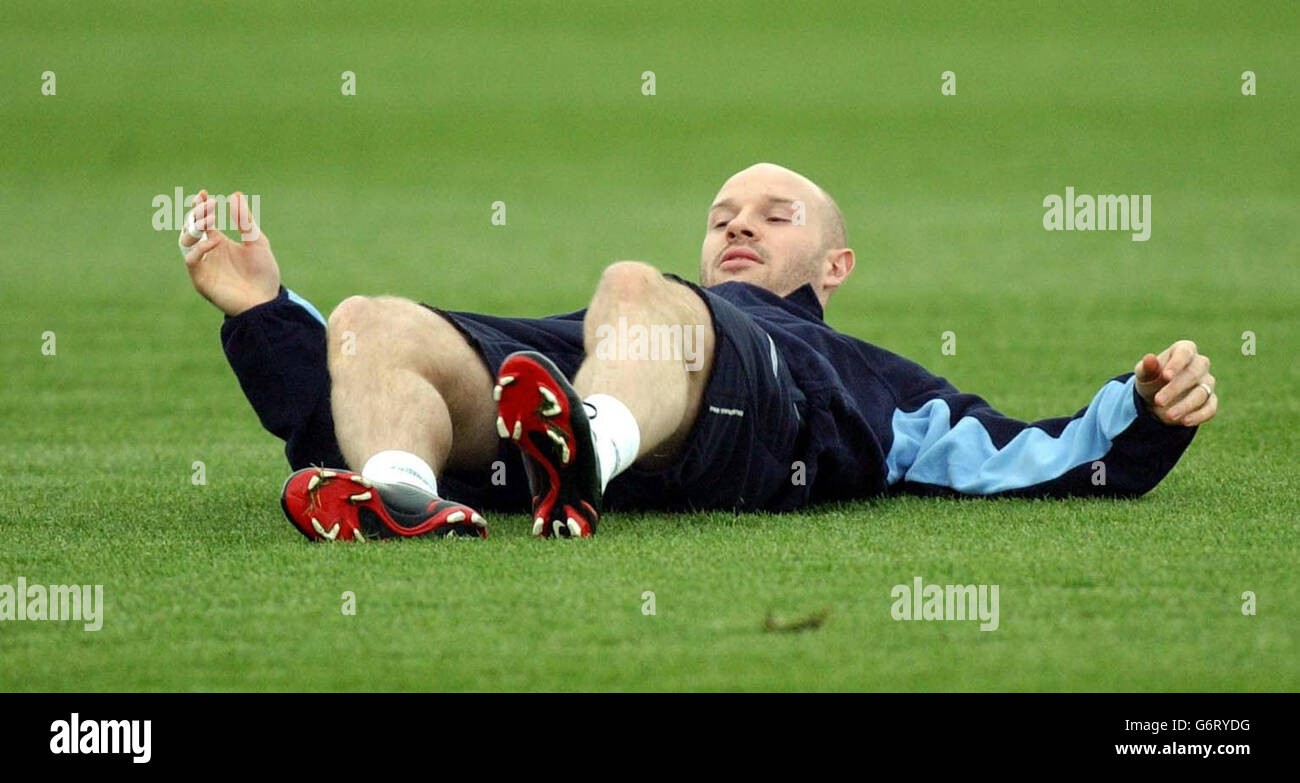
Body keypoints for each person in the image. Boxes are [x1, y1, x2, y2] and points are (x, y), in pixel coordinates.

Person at [178, 163, 1216, 541]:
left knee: (634, 293)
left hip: (744, 432)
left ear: (836, 261)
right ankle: (403, 497)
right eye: (723, 213)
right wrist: (264, 311)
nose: (740, 225)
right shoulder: (610, 328)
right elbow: (327, 399)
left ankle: (581, 447)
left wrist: (1142, 411)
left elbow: (1018, 457)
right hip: (562, 422)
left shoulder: (877, 382)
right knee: (370, 317)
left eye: (775, 213)